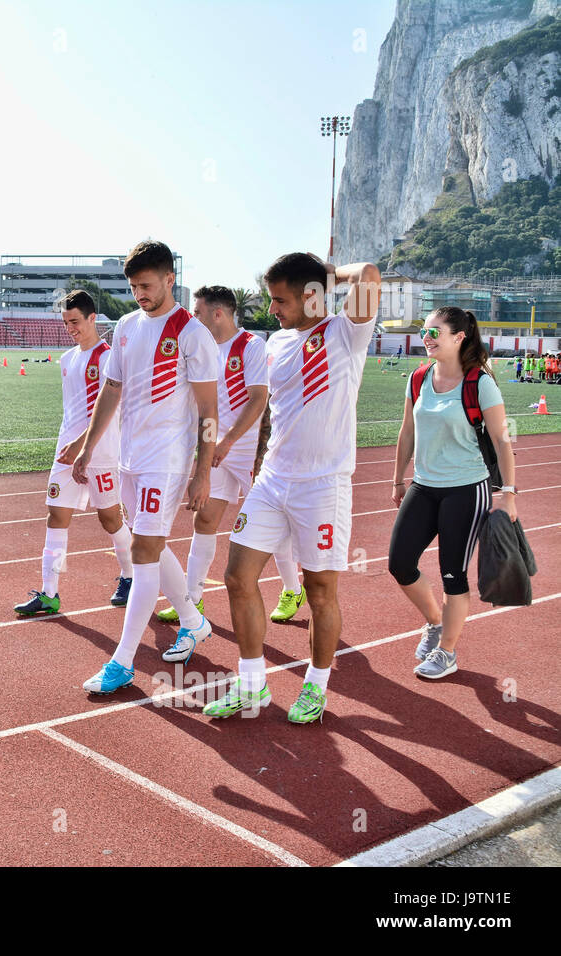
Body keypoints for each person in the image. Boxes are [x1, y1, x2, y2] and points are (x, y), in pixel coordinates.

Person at [204, 254, 381, 724]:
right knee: (238, 577)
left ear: (311, 296)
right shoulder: (275, 342)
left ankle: (315, 687)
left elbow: (368, 275)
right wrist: (256, 460)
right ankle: (251, 684)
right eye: (270, 298)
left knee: (319, 590)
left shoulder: (346, 332)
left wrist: (327, 279)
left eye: (280, 299)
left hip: (323, 486)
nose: (272, 308)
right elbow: (269, 411)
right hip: (273, 480)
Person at [75, 240, 219, 694]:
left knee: (141, 555)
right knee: (148, 544)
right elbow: (111, 390)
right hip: (130, 458)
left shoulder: (192, 333)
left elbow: (209, 411)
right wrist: (88, 445)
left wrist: (203, 470)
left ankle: (122, 662)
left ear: (170, 279)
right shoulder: (126, 328)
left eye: (147, 285)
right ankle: (194, 621)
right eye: (134, 286)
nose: (139, 293)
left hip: (168, 461)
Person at [155, 286, 304, 626]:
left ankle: (293, 588)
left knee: (271, 525)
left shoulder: (251, 346)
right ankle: (192, 599)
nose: (194, 318)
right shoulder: (198, 348)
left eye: (198, 312)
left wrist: (229, 442)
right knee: (204, 519)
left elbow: (257, 399)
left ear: (218, 313)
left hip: (249, 451)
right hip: (217, 448)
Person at [389, 307, 517, 679]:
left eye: (434, 333)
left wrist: (508, 493)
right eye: (424, 333)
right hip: (424, 486)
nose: (426, 339)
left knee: (452, 575)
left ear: (459, 336)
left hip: (466, 489)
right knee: (399, 563)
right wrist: (398, 479)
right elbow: (406, 432)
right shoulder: (417, 378)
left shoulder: (480, 382)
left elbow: (501, 440)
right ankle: (435, 623)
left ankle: (447, 652)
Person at [13, 290, 133, 617]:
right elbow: (72, 409)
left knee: (110, 519)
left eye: (76, 321)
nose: (71, 328)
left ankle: (130, 575)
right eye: (66, 322)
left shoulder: (109, 357)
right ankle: (49, 594)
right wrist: (69, 445)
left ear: (93, 318)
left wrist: (84, 445)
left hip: (102, 451)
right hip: (66, 452)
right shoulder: (67, 359)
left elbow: (112, 408)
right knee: (56, 514)